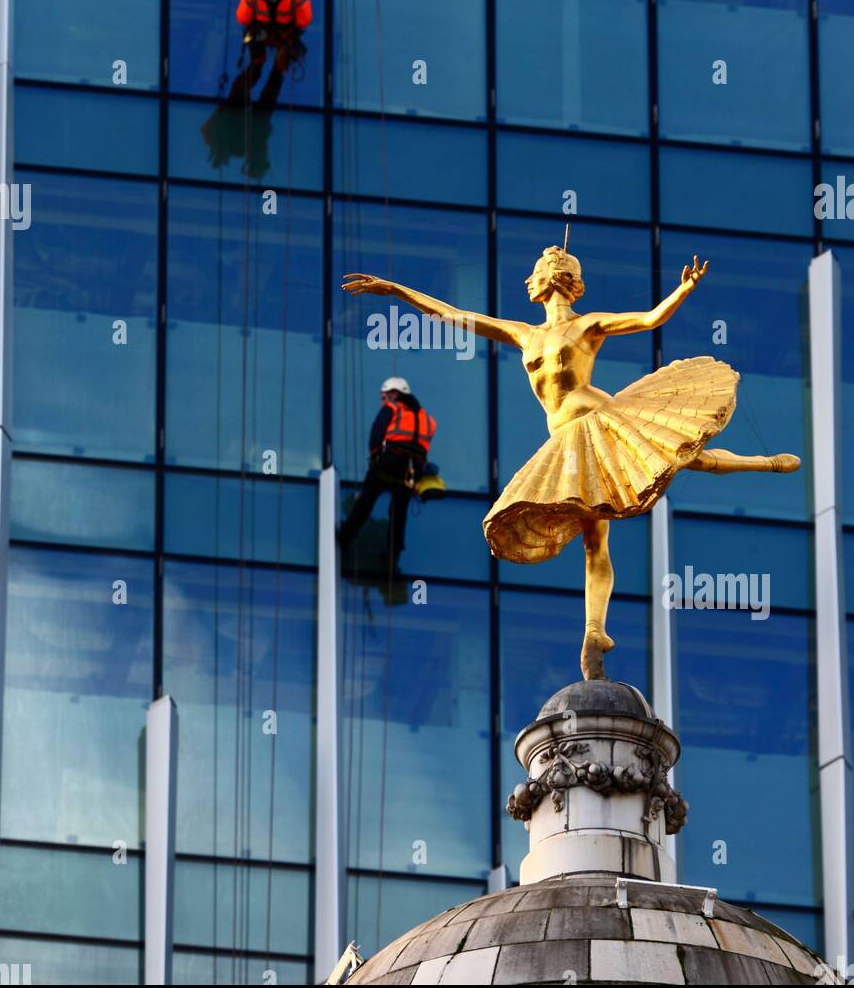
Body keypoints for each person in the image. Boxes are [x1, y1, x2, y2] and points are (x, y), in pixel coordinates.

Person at [343, 239, 799, 679]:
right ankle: (594, 631)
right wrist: (395, 290)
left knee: (684, 455)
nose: (529, 280)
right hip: (566, 440)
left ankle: (767, 463)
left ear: (558, 278)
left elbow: (647, 320)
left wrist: (683, 290)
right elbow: (454, 315)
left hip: (597, 418)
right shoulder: (523, 333)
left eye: (537, 272)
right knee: (593, 540)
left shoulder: (587, 325)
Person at [338, 377, 436, 574]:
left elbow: (377, 432)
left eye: (385, 397)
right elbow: (422, 446)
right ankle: (393, 555)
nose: (384, 401)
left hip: (390, 462)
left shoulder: (393, 408)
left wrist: (375, 456)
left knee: (366, 501)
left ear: (394, 394)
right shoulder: (428, 418)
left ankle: (344, 537)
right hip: (412, 470)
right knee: (399, 514)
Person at [225, 0, 312, 109]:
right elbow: (304, 21)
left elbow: (242, 19)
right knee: (278, 71)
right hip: (283, 40)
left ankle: (237, 99)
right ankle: (266, 105)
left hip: (260, 37)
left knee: (257, 64)